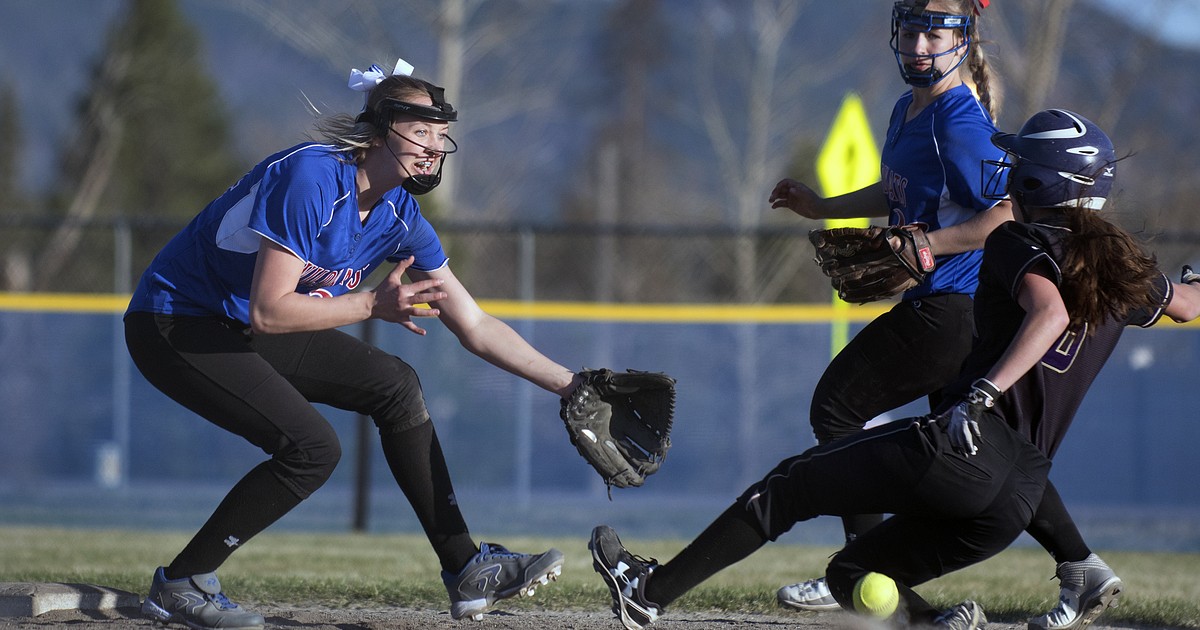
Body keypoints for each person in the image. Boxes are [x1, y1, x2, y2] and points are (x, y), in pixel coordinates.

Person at [591, 108, 1200, 630]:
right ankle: (934, 623)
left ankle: (647, 595)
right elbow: (1187, 303)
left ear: (1041, 180)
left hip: (966, 446)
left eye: (1019, 165)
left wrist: (984, 392)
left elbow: (1048, 311)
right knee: (851, 573)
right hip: (1017, 500)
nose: (1008, 175)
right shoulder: (1128, 273)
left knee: (790, 487)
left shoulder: (1019, 240)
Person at [125, 60, 584, 630]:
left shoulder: (400, 215)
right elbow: (271, 310)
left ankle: (465, 568)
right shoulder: (313, 178)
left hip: (238, 325)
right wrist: (370, 305)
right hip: (174, 321)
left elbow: (474, 322)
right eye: (421, 132)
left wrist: (573, 385)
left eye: (441, 136)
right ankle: (181, 582)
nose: (434, 148)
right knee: (311, 448)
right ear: (377, 132)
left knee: (395, 386)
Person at [767, 0, 1017, 615]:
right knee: (980, 451)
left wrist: (930, 242)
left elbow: (1009, 211)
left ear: (966, 37)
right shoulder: (909, 109)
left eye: (937, 28)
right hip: (945, 304)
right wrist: (823, 207)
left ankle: (857, 577)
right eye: (911, 26)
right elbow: (899, 188)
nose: (920, 41)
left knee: (836, 408)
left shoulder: (960, 120)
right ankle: (1080, 562)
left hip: (958, 305)